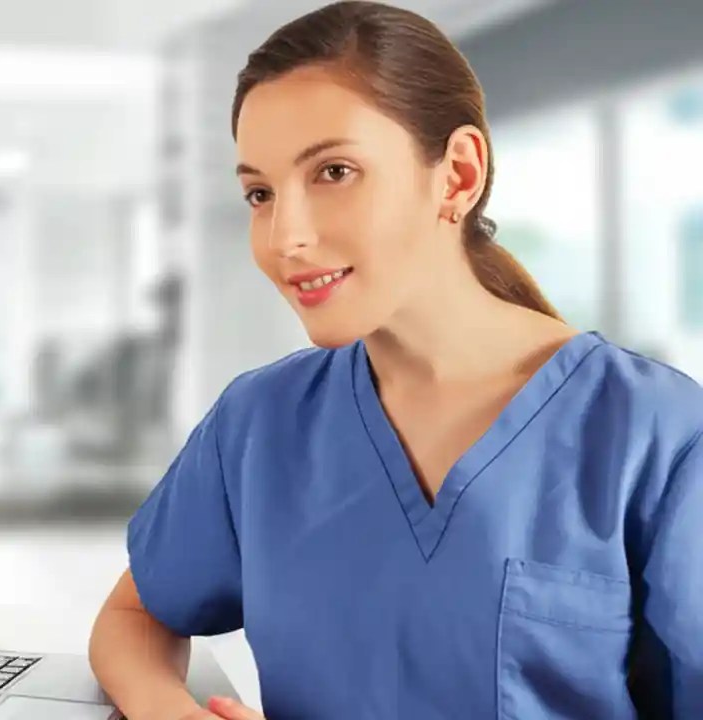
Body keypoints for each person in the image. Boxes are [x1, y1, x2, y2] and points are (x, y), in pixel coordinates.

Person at [87, 2, 703, 718]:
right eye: (260, 192)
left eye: (335, 171)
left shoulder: (658, 434)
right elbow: (135, 617)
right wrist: (171, 711)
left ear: (458, 175)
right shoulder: (259, 424)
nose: (286, 235)